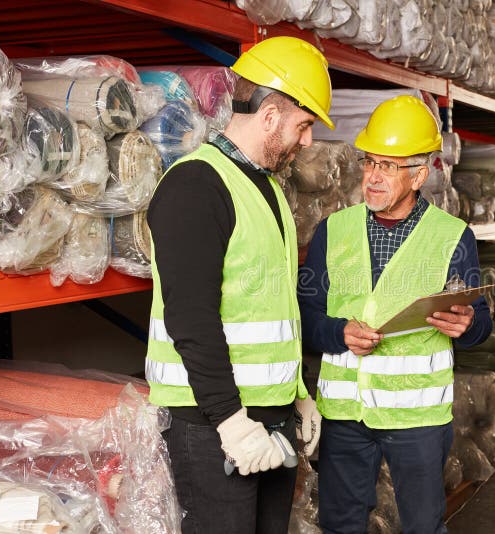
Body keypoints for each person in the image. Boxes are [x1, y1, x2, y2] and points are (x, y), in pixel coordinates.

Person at [145, 36, 332, 534]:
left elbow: (271, 306)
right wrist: (230, 422)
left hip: (269, 419)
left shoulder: (267, 187)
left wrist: (298, 395)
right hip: (213, 425)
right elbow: (192, 319)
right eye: (304, 125)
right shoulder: (195, 186)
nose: (307, 141)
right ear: (269, 116)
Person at [298, 95, 493, 534]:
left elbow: (480, 322)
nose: (372, 176)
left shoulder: (452, 237)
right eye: (369, 162)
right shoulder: (333, 231)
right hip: (346, 415)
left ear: (419, 175)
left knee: (423, 526)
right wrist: (338, 332)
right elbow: (306, 316)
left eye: (388, 166)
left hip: (417, 419)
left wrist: (467, 325)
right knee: (340, 525)